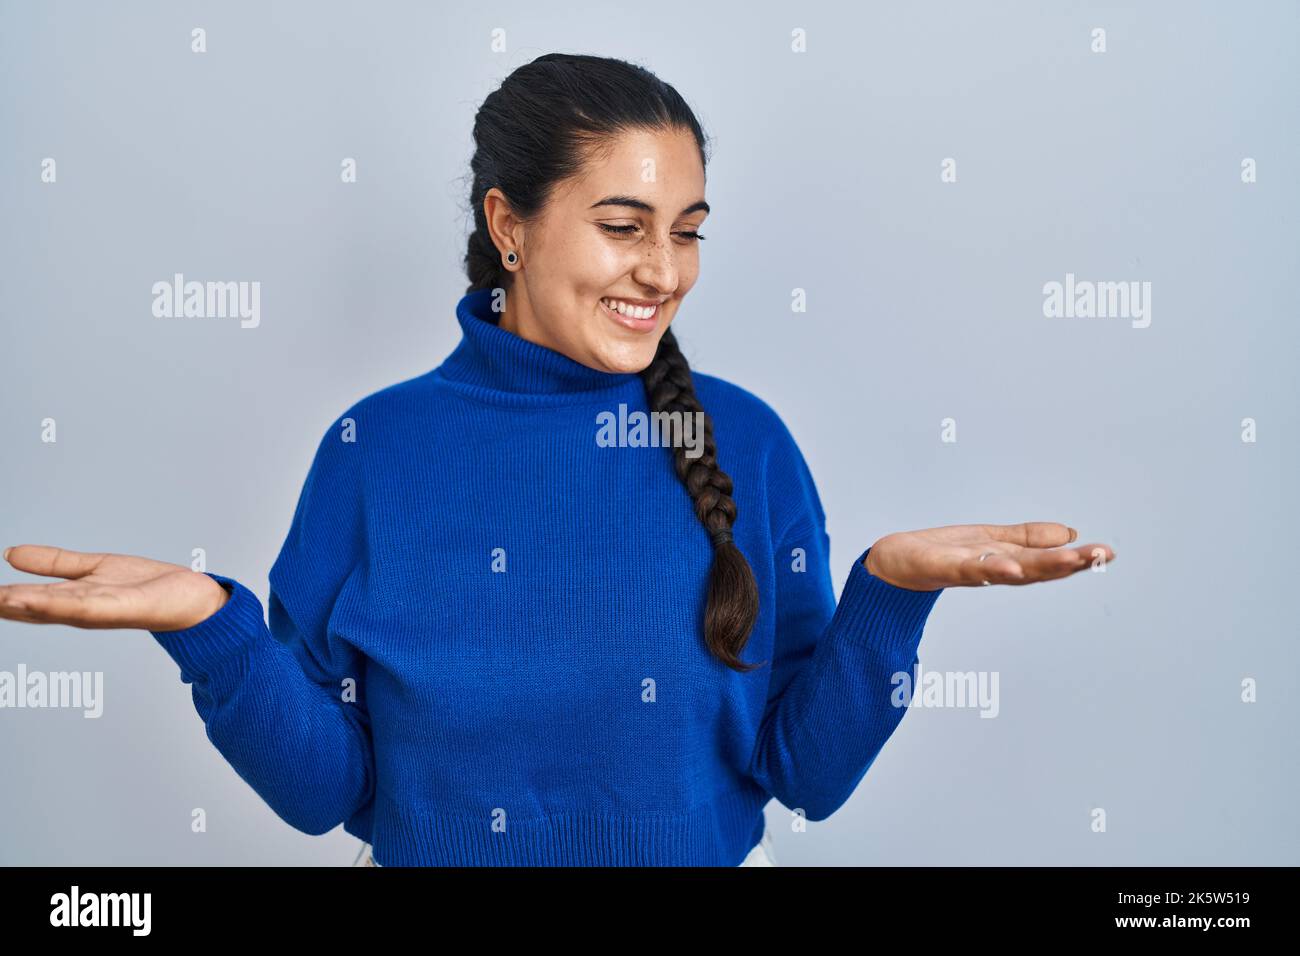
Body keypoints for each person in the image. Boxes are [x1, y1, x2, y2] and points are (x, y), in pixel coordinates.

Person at [0, 53, 1113, 866]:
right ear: (511, 223)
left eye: (687, 229)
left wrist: (889, 597)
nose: (664, 270)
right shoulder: (373, 449)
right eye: (623, 225)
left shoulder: (747, 442)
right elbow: (329, 788)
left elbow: (803, 775)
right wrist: (211, 626)